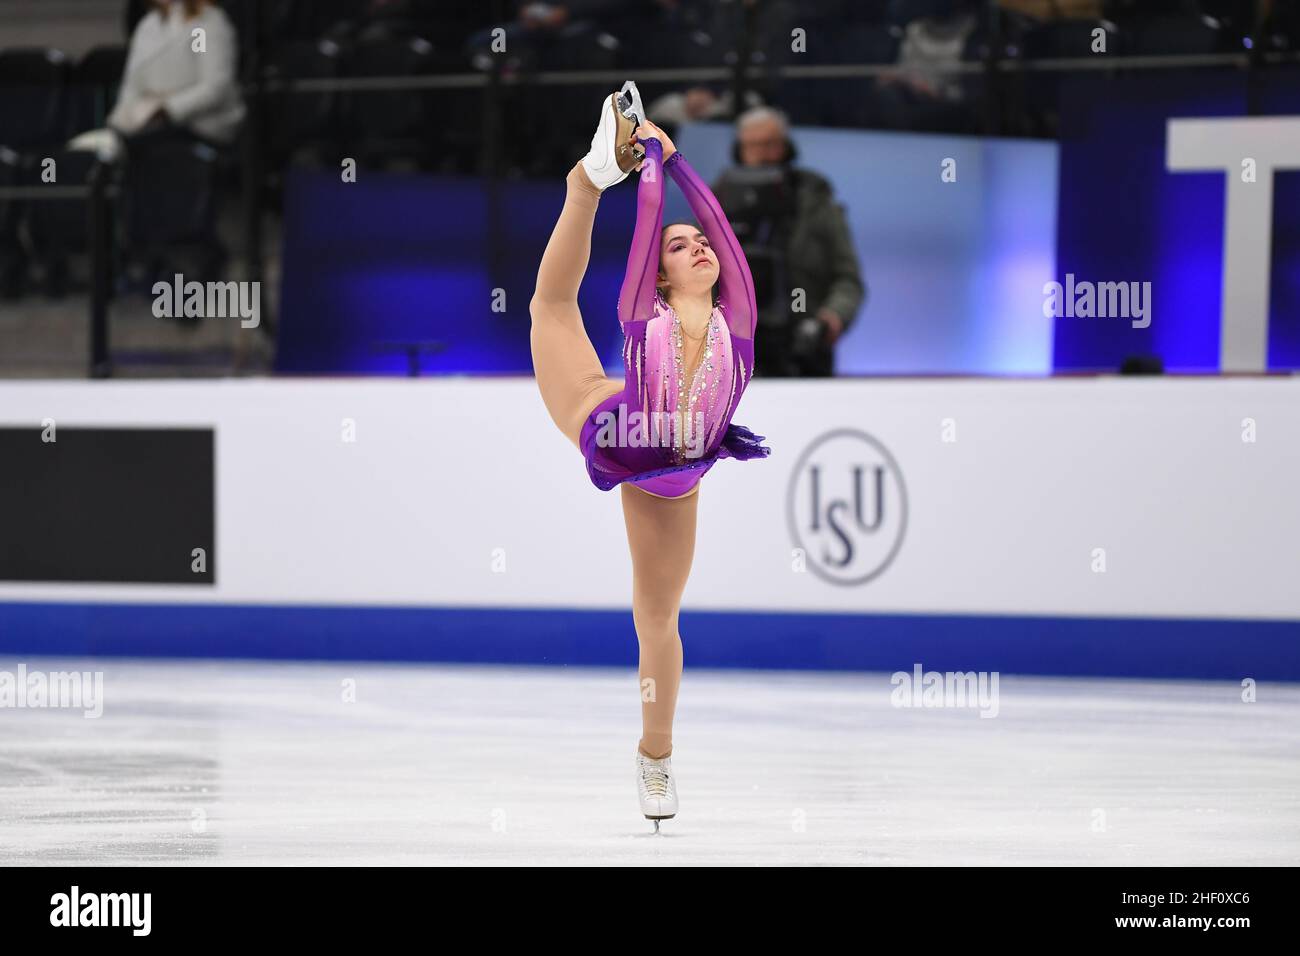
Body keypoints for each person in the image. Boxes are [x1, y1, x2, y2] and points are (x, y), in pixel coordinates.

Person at [529, 82, 769, 829]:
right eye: (680, 243)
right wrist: (649, 173)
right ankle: (585, 181)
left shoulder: (741, 320)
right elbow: (639, 246)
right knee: (549, 308)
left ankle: (655, 757)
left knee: (656, 617)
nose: (698, 245)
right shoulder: (643, 316)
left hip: (676, 466)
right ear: (661, 277)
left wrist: (674, 156)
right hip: (618, 426)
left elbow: (723, 226)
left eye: (699, 244)